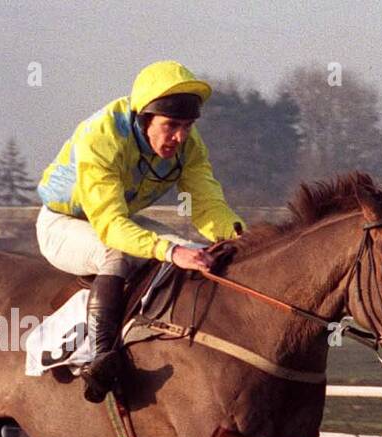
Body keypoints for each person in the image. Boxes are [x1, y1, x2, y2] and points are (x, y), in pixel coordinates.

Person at [35, 60, 245, 402]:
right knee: (118, 253)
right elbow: (110, 225)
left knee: (193, 250)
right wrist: (170, 252)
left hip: (118, 219)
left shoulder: (189, 147)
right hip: (64, 223)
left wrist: (240, 238)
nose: (179, 137)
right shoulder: (102, 136)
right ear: (144, 117)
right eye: (171, 126)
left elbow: (206, 206)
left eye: (188, 126)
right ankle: (99, 358)